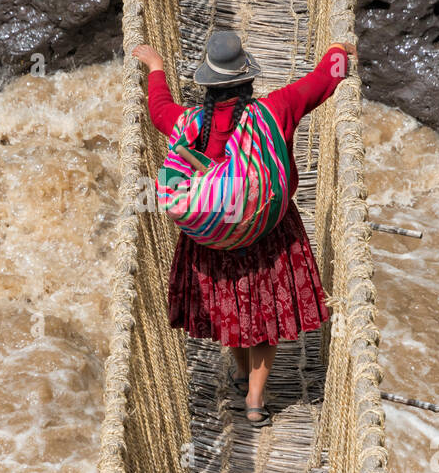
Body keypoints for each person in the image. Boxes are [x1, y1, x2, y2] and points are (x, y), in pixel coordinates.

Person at [133, 29, 354, 426]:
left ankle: (238, 373)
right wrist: (341, 50)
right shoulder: (274, 111)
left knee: (228, 309)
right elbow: (324, 80)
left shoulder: (189, 124)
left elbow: (158, 109)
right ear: (248, 79)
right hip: (266, 232)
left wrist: (156, 66)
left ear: (209, 85)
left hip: (211, 238)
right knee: (264, 316)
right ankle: (255, 397)